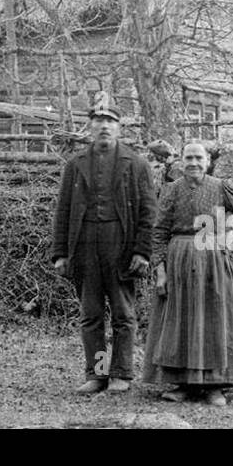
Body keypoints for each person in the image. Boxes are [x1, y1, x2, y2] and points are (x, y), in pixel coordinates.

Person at [51, 103, 156, 394]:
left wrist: (142, 252)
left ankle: (121, 373)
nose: (104, 126)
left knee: (124, 314)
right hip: (84, 247)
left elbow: (149, 213)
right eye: (98, 120)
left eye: (110, 121)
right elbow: (63, 211)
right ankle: (97, 374)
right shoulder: (75, 164)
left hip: (120, 245)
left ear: (119, 127)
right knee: (91, 315)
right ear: (90, 127)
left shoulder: (136, 164)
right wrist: (60, 253)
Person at [142, 140, 233, 407]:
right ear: (181, 161)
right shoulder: (171, 190)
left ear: (208, 162)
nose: (193, 163)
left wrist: (231, 235)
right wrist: (160, 270)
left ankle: (215, 387)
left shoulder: (221, 187)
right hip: (178, 258)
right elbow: (158, 232)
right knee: (181, 322)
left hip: (213, 259)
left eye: (198, 158)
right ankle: (184, 385)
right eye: (188, 158)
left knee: (214, 319)